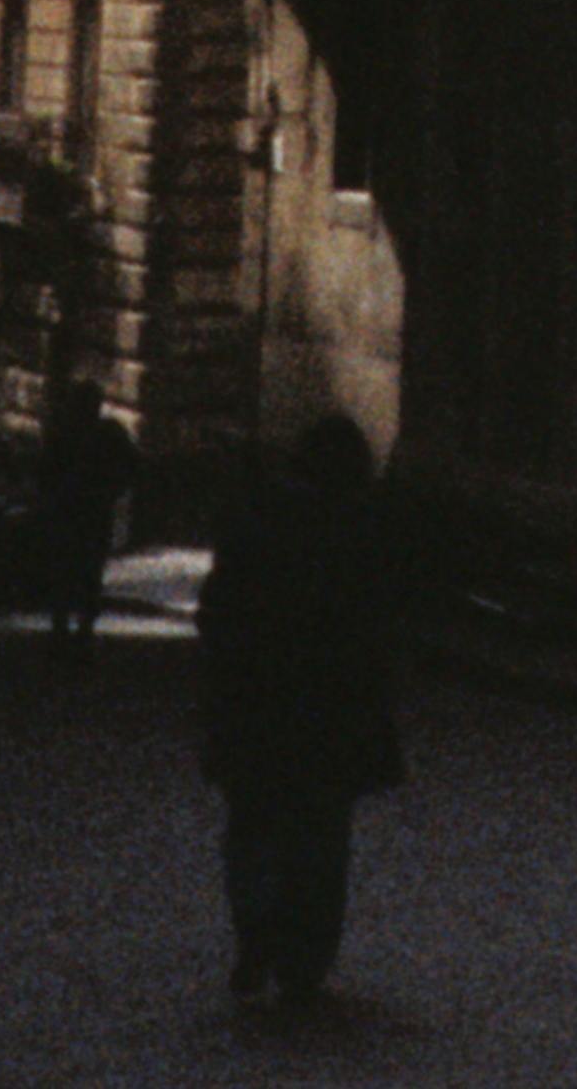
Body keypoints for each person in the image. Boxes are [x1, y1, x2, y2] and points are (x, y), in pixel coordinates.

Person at [196, 413, 401, 1011]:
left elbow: (217, 613)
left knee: (253, 825)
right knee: (320, 838)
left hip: (256, 705)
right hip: (329, 714)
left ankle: (256, 929)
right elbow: (378, 631)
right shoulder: (360, 531)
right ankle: (304, 960)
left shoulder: (254, 523)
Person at [28, 367, 134, 656]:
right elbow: (130, 467)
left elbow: (43, 470)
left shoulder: (62, 431)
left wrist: (48, 499)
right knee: (89, 571)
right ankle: (83, 629)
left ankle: (61, 627)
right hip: (93, 512)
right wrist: (111, 492)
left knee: (64, 569)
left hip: (67, 510)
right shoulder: (109, 432)